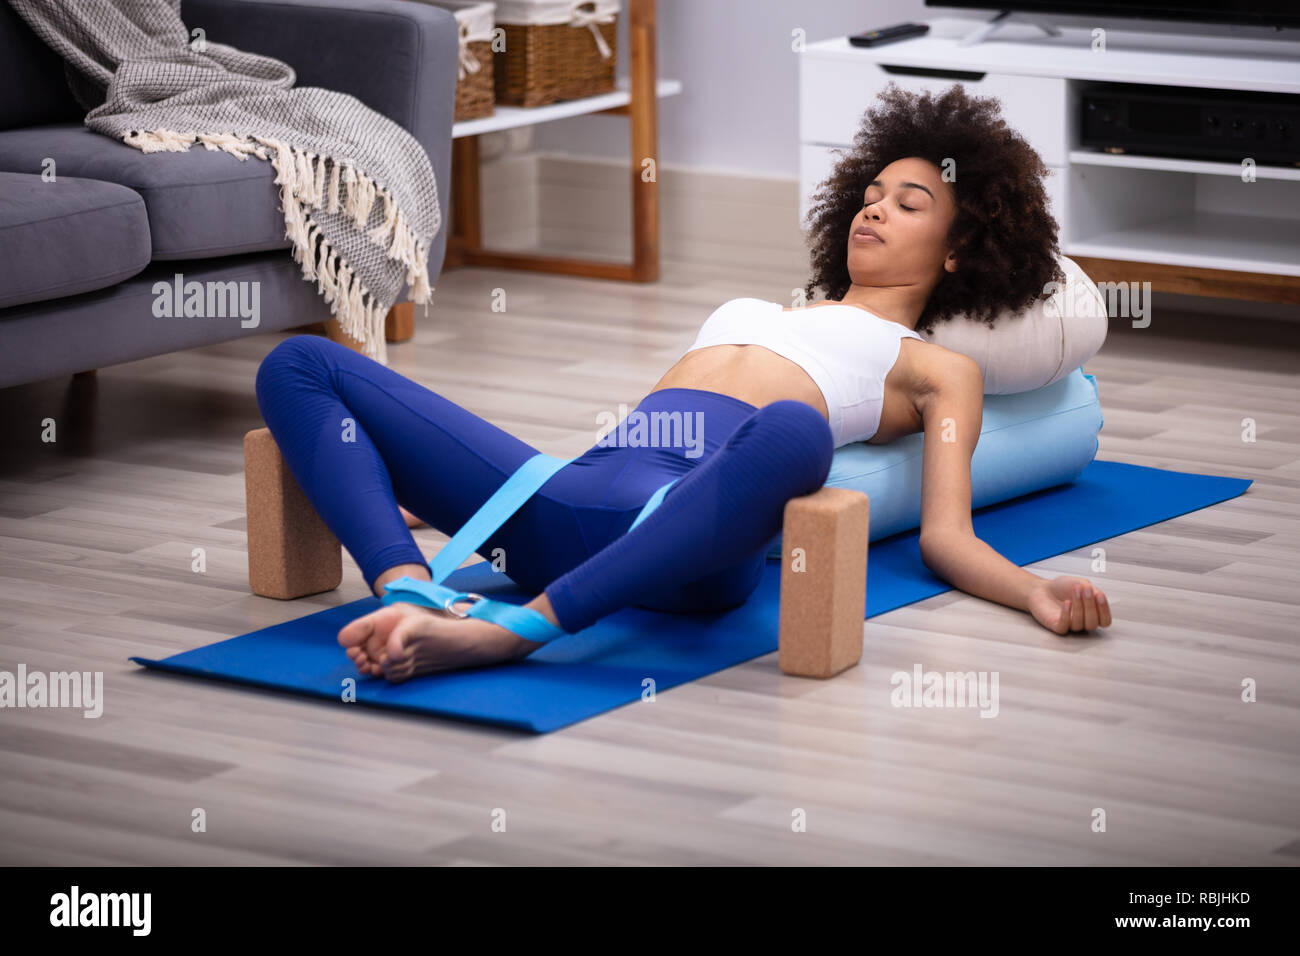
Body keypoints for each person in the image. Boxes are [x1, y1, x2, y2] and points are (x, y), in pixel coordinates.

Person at [254, 84, 1110, 683]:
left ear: (959, 251)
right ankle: (406, 590)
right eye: (872, 193)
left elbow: (944, 536)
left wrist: (1037, 592)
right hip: (568, 503)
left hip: (688, 557)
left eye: (910, 204)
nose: (874, 209)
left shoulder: (938, 366)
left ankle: (508, 635)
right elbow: (639, 439)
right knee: (300, 363)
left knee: (794, 430)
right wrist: (415, 483)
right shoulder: (782, 311)